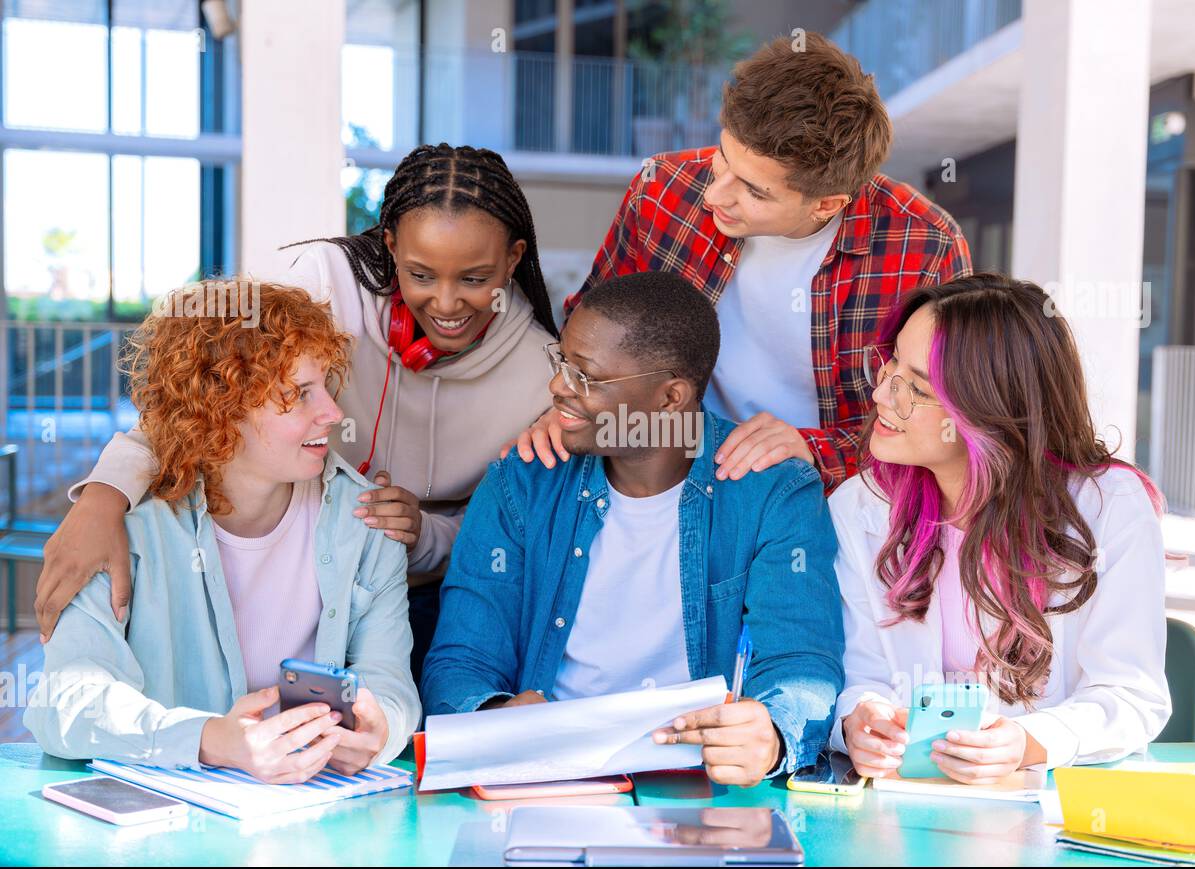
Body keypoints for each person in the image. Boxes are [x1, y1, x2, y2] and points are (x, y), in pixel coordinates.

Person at [35, 144, 557, 682]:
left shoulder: (543, 373)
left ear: (513, 259)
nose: (446, 304)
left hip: (427, 601)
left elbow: (504, 529)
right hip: (306, 573)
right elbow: (214, 389)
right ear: (391, 245)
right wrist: (103, 495)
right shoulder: (329, 280)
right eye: (420, 274)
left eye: (474, 279)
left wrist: (423, 534)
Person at [423, 271, 845, 787]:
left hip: (698, 782)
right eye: (562, 363)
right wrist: (491, 715)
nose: (558, 388)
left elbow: (802, 664)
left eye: (587, 377)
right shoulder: (522, 480)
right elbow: (461, 659)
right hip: (549, 780)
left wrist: (772, 734)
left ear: (671, 398)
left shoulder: (772, 491)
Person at [509, 32, 971, 493]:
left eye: (754, 191)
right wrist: (572, 410)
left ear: (826, 205)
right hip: (671, 466)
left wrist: (815, 448)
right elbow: (592, 329)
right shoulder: (661, 190)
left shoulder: (926, 247)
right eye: (721, 158)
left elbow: (947, 414)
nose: (714, 194)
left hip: (834, 493)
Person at [25, 281, 421, 780]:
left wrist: (380, 727)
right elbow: (64, 702)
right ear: (221, 411)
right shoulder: (122, 529)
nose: (334, 414)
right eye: (299, 395)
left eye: (325, 385)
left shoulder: (366, 520)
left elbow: (391, 685)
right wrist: (213, 740)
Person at [828, 273, 1171, 783]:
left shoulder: (1110, 508)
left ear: (988, 414)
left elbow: (1131, 695)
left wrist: (1030, 742)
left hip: (1044, 808)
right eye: (891, 363)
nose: (882, 393)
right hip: (903, 807)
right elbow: (858, 677)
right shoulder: (861, 507)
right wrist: (860, 721)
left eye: (916, 388)